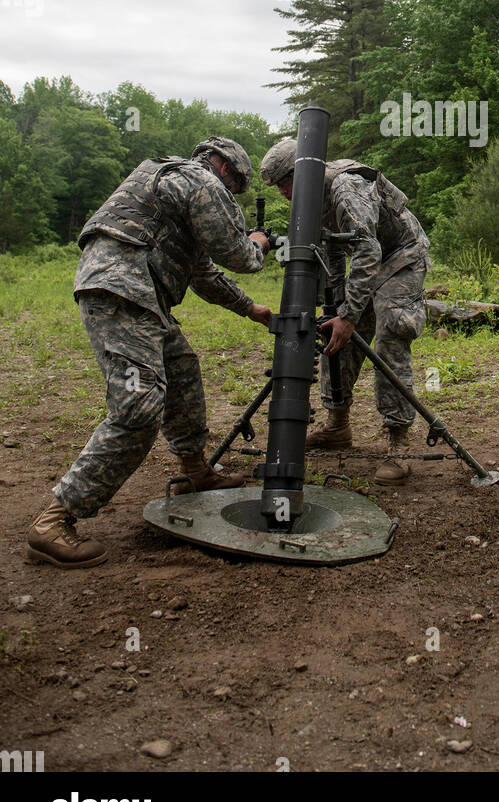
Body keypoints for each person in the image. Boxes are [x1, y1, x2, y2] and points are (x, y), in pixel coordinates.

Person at [27, 137, 272, 569]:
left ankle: (196, 473)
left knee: (181, 370)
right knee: (139, 407)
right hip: (124, 291)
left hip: (138, 295)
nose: (231, 193)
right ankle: (54, 520)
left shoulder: (167, 182)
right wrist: (258, 243)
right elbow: (239, 256)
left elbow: (203, 274)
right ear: (224, 168)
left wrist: (251, 309)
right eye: (234, 187)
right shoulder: (201, 180)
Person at [260, 140, 430, 484]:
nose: (281, 193)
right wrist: (337, 310)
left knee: (390, 333)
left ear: (302, 172)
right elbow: (332, 253)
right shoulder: (310, 198)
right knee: (333, 335)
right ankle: (338, 426)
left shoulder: (347, 187)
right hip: (369, 260)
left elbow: (367, 248)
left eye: (283, 183)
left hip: (401, 258)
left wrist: (350, 315)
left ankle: (398, 444)